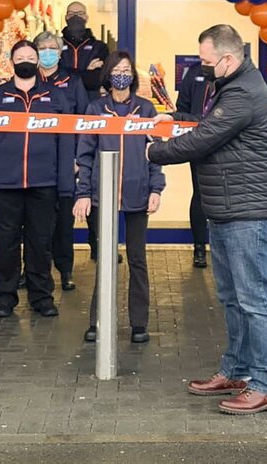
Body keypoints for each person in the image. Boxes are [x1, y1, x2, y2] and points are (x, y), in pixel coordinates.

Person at [147, 25, 267, 415]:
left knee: (254, 300)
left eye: (207, 62)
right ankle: (237, 371)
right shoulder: (229, 86)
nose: (203, 69)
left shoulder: (243, 91)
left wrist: (155, 152)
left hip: (248, 212)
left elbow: (205, 137)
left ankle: (266, 384)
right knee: (231, 298)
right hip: (226, 209)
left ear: (229, 58)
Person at [0, 41, 75, 319]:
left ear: (39, 60)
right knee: (5, 243)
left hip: (45, 183)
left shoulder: (54, 97)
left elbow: (66, 143)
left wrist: (66, 184)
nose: (26, 60)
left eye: (31, 56)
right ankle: (4, 297)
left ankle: (42, 297)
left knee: (40, 243)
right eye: (21, 57)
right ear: (11, 60)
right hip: (5, 184)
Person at [74, 52, 165, 344]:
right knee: (105, 260)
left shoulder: (147, 109)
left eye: (127, 70)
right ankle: (98, 320)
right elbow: (84, 155)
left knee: (137, 260)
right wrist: (84, 193)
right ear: (108, 75)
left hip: (137, 195)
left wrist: (156, 188)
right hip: (103, 196)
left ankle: (139, 323)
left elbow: (156, 154)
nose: (122, 74)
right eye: (117, 69)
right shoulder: (95, 108)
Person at [34, 30, 88, 291]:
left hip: (67, 161)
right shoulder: (28, 80)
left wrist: (78, 156)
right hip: (34, 161)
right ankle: (31, 269)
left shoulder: (72, 80)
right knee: (34, 221)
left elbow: (83, 122)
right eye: (42, 48)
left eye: (51, 48)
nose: (47, 52)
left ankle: (65, 271)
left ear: (59, 51)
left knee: (64, 221)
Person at [175, 61, 215, 269]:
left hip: (229, 144)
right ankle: (199, 248)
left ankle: (222, 249)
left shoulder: (234, 72)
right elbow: (182, 106)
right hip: (199, 143)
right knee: (200, 194)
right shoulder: (194, 73)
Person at [59, 1, 109, 101]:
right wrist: (86, 72)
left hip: (90, 102)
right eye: (71, 14)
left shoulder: (99, 47)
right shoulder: (56, 46)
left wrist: (67, 73)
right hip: (61, 100)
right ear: (66, 17)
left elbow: (97, 79)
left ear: (86, 17)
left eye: (80, 14)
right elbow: (55, 75)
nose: (75, 17)